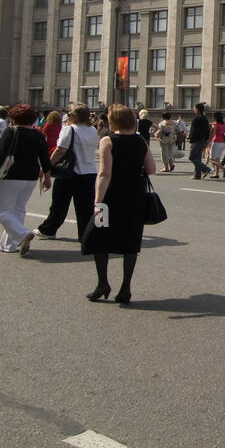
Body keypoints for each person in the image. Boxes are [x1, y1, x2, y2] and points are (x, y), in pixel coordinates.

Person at [83, 104, 156, 305]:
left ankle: (102, 284)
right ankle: (126, 288)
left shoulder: (108, 140)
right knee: (130, 242)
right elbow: (151, 169)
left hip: (110, 197)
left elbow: (104, 174)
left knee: (99, 238)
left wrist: (97, 202)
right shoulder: (140, 140)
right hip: (135, 197)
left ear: (112, 120)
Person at [0, 104, 52, 254]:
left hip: (11, 175)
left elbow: (0, 153)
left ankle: (22, 234)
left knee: (0, 210)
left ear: (13, 118)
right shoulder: (38, 135)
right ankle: (9, 245)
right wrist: (47, 177)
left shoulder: (11, 131)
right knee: (17, 209)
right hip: (31, 177)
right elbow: (45, 158)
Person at [30, 104, 99, 248]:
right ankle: (86, 235)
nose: (67, 115)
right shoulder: (93, 130)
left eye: (69, 113)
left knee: (59, 204)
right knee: (85, 207)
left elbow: (60, 150)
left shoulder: (69, 129)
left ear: (75, 116)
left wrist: (46, 167)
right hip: (89, 171)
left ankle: (48, 229)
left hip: (70, 172)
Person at [187, 104, 211, 180]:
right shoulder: (205, 118)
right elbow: (208, 131)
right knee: (198, 157)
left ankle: (205, 169)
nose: (194, 110)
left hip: (197, 140)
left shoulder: (196, 119)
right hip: (203, 139)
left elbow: (194, 131)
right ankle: (197, 175)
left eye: (194, 108)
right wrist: (207, 140)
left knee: (192, 157)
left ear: (197, 109)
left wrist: (192, 141)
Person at [209, 111, 225, 178]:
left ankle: (223, 168)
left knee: (211, 159)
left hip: (216, 142)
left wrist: (209, 141)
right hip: (223, 142)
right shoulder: (224, 123)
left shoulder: (215, 124)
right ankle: (216, 174)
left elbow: (213, 134)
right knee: (217, 159)